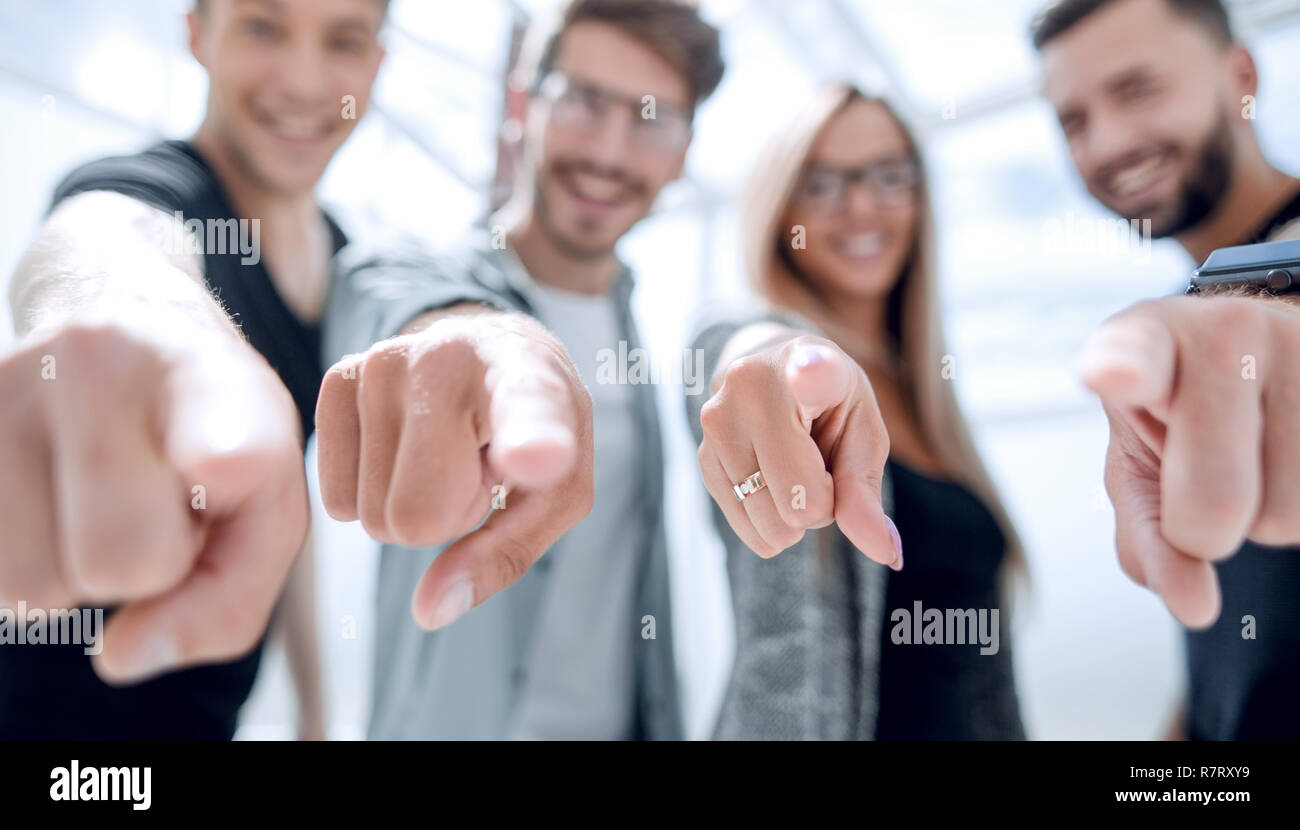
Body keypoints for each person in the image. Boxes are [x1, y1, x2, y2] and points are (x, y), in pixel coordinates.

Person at [316, 0, 724, 739]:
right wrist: (470, 337)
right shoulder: (418, 273)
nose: (608, 150)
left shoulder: (644, 331)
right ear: (521, 104)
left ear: (685, 149)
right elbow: (397, 300)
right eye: (583, 101)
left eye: (651, 117)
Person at [0, 0, 386, 739]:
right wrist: (128, 312)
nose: (305, 81)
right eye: (263, 27)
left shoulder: (339, 255)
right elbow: (104, 243)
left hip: (206, 713)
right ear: (197, 33)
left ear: (375, 63)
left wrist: (315, 712)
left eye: (344, 40)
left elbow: (282, 497)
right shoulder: (148, 188)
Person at [684, 85, 1026, 739]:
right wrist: (783, 363)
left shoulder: (932, 405)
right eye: (822, 184)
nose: (862, 205)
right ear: (782, 212)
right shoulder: (750, 335)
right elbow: (738, 355)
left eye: (890, 176)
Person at [1032, 0, 1300, 739]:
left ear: (1241, 77)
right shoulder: (1192, 313)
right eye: (1074, 120)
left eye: (1137, 90)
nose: (1109, 142)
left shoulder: (1264, 287)